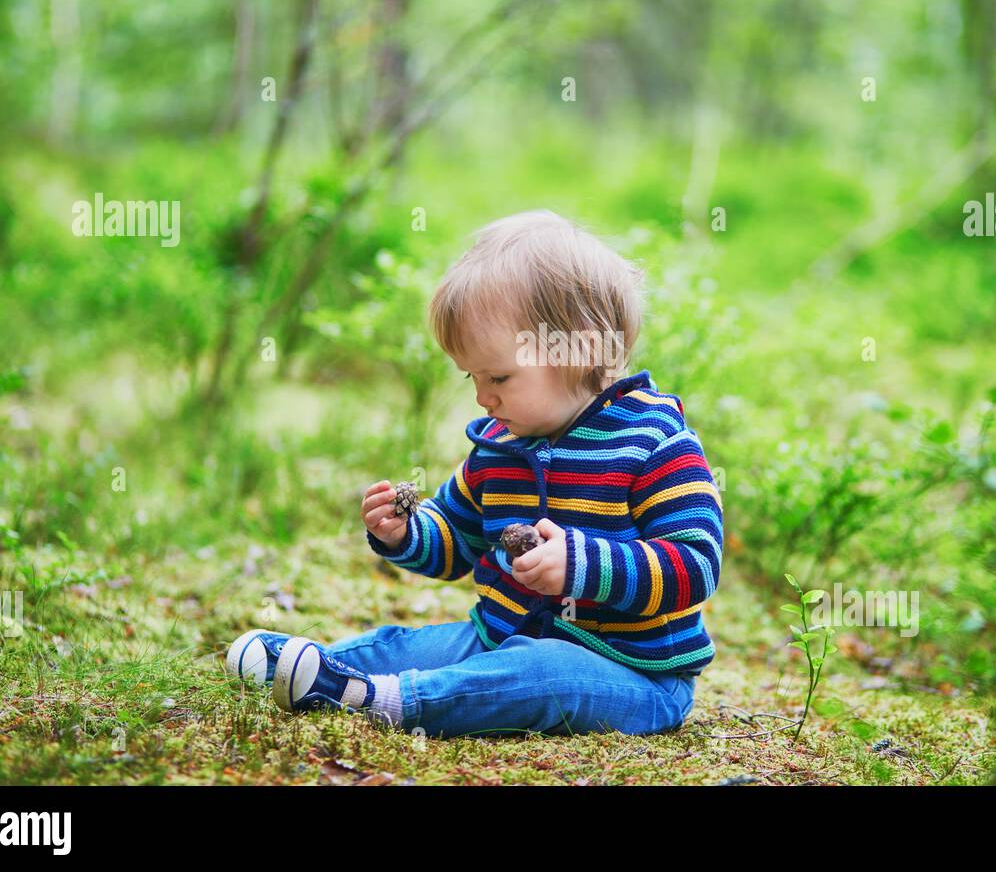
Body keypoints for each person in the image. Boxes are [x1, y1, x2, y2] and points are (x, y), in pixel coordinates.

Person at [225, 210, 724, 738]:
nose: (483, 397)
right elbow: (455, 540)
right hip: (499, 635)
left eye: (498, 377)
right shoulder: (498, 449)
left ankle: (388, 701)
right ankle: (318, 670)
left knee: (539, 672)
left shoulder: (653, 443)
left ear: (581, 350)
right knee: (422, 646)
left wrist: (581, 565)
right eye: (472, 377)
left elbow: (696, 565)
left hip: (633, 677)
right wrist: (405, 532)